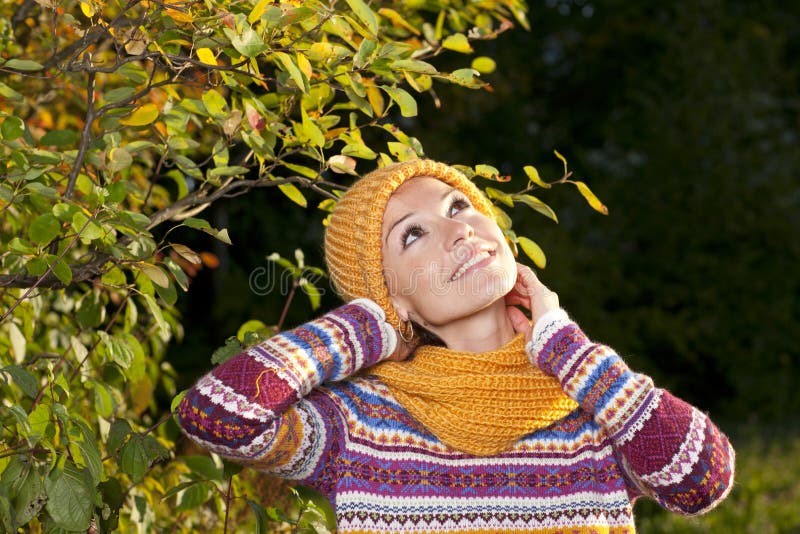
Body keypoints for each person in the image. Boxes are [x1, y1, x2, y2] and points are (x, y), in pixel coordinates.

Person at [176, 159, 735, 533]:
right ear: (386, 289)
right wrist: (370, 326)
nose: (458, 230)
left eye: (458, 207)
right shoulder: (359, 426)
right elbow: (219, 415)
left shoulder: (593, 405)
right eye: (412, 234)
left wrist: (571, 352)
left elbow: (702, 480)